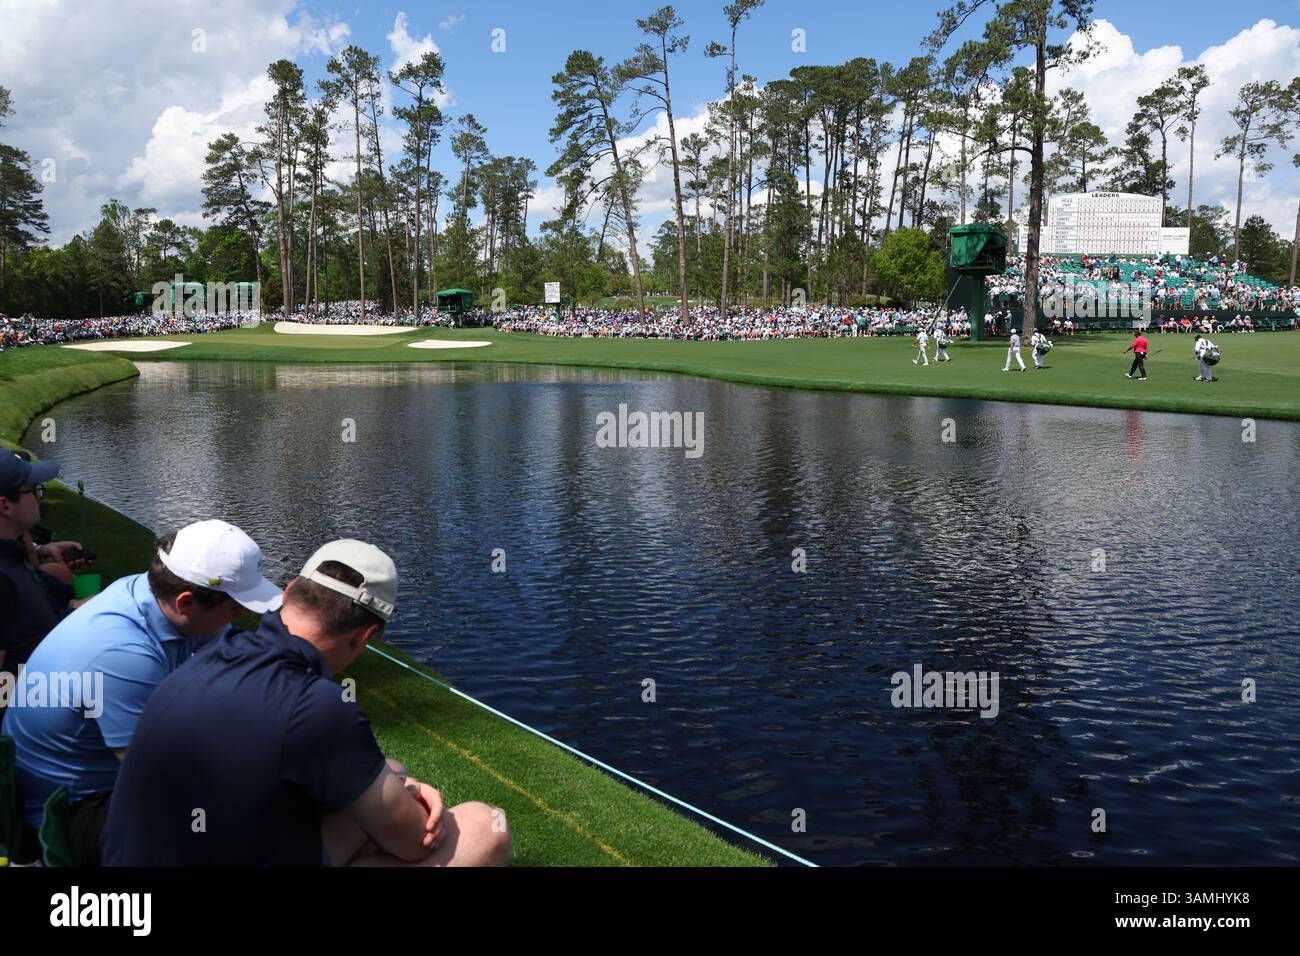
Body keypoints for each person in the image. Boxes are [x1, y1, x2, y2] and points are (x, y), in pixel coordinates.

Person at [101, 540, 512, 867]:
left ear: (290, 591)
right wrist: (411, 806)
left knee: (391, 771)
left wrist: (406, 788)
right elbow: (414, 842)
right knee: (484, 827)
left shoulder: (213, 651)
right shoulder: (314, 706)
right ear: (366, 635)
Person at [3, 519, 280, 865]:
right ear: (185, 602)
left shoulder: (145, 593)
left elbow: (227, 658)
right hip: (68, 812)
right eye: (235, 609)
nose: (237, 618)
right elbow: (160, 778)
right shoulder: (123, 655)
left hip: (101, 777)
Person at [0, 451, 80, 703]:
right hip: (39, 708)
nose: (38, 497)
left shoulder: (12, 556)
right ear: (5, 505)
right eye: (33, 490)